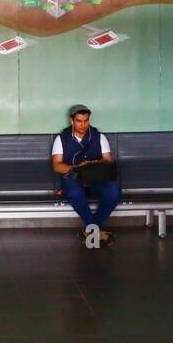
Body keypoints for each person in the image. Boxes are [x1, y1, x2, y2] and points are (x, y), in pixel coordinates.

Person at [51, 105, 121, 246]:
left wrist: (96, 163)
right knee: (75, 192)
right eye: (79, 121)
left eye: (86, 120)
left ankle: (90, 230)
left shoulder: (98, 136)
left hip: (96, 179)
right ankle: (95, 230)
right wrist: (77, 168)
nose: (83, 125)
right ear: (72, 120)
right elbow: (57, 165)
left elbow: (108, 160)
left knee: (114, 191)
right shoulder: (62, 138)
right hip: (73, 179)